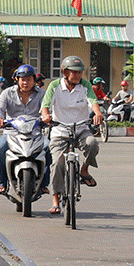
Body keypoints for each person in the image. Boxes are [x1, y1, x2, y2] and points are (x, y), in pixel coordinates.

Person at [41, 56, 103, 215]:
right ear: (65, 72)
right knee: (57, 163)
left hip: (81, 128)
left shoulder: (85, 85)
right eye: (73, 72)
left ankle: (84, 170)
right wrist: (46, 116)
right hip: (60, 130)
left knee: (92, 144)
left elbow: (93, 101)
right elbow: (45, 105)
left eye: (79, 72)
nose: (77, 75)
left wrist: (97, 113)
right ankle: (55, 199)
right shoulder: (54, 86)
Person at [0, 64, 47, 195]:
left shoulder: (42, 94)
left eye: (29, 79)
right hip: (12, 132)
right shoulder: (7, 93)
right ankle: (1, 182)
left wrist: (47, 117)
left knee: (48, 149)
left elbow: (47, 108)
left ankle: (44, 183)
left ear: (34, 80)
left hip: (35, 133)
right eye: (23, 79)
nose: (26, 83)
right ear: (17, 80)